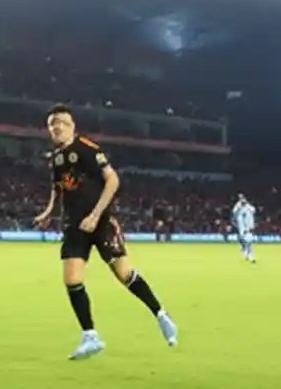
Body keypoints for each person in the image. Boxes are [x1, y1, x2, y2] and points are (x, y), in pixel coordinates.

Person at [33, 104, 178, 359]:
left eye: (61, 123)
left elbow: (113, 180)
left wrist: (96, 215)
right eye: (52, 124)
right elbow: (58, 191)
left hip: (100, 222)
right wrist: (48, 213)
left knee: (124, 274)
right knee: (72, 280)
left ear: (72, 126)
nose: (56, 127)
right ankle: (90, 336)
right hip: (74, 225)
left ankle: (161, 315)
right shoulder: (55, 159)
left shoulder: (87, 149)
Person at [232, 194, 258, 263]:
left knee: (249, 240)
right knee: (243, 240)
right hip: (242, 227)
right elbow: (234, 213)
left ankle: (250, 255)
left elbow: (253, 210)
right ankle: (245, 250)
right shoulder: (237, 207)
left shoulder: (249, 207)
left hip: (248, 227)